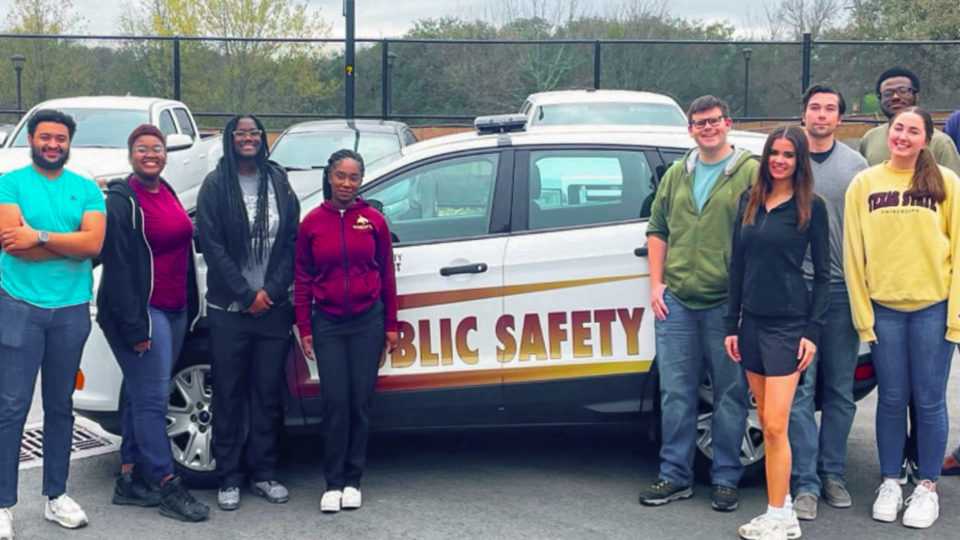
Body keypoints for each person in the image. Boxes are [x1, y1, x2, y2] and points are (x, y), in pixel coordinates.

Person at [845, 106, 960, 530]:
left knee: (929, 401)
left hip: (933, 308)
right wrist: (863, 313)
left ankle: (926, 487)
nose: (904, 137)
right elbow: (853, 254)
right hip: (884, 309)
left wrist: (956, 313)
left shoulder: (947, 183)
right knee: (891, 400)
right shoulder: (865, 183)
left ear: (927, 139)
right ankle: (891, 480)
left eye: (914, 131)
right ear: (887, 132)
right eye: (898, 129)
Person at [639, 96, 755, 512]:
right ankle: (674, 476)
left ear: (728, 123)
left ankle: (725, 477)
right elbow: (658, 228)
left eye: (714, 121)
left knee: (730, 394)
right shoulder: (676, 174)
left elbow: (760, 237)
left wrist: (747, 301)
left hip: (727, 304)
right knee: (676, 393)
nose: (707, 128)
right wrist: (657, 284)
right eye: (699, 123)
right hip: (678, 303)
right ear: (689, 129)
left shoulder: (750, 173)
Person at [0, 110, 105, 537]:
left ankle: (56, 496)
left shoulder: (86, 189)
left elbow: (94, 244)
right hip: (19, 306)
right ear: (31, 138)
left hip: (71, 310)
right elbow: (12, 245)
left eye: (60, 138)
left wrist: (39, 236)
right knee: (11, 407)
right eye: (45, 137)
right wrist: (68, 245)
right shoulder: (10, 184)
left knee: (61, 406)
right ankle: (4, 503)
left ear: (69, 142)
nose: (53, 144)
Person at [96, 124, 209, 522]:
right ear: (131, 155)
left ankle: (129, 479)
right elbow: (121, 268)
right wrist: (135, 329)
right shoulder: (121, 201)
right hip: (144, 313)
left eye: (156, 148)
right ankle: (167, 485)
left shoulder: (169, 192)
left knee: (141, 397)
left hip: (175, 308)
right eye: (142, 149)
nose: (150, 154)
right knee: (151, 401)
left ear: (165, 154)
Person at [725, 125, 830, 540]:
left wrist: (812, 331)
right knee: (767, 419)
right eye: (774, 153)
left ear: (799, 161)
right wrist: (730, 323)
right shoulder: (747, 203)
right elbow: (736, 267)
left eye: (789, 154)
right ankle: (781, 508)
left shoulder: (811, 207)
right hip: (750, 324)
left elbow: (824, 275)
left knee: (774, 425)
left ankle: (778, 515)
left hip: (789, 327)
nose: (780, 160)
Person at [196, 114, 300, 511]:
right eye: (240, 133)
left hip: (273, 308)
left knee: (266, 394)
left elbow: (291, 239)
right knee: (228, 393)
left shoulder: (278, 180)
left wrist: (269, 292)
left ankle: (264, 473)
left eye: (254, 133)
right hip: (229, 310)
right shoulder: (215, 185)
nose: (248, 138)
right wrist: (245, 294)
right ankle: (229, 477)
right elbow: (213, 244)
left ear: (262, 139)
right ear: (229, 139)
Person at [294, 149, 399, 513]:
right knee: (335, 403)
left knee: (360, 402)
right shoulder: (311, 223)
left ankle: (353, 480)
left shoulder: (373, 221)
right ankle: (332, 483)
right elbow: (302, 278)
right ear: (329, 176)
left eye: (353, 177)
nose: (346, 183)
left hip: (368, 322)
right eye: (340, 175)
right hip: (328, 323)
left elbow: (387, 274)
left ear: (361, 181)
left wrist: (391, 325)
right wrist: (304, 325)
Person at [787, 84, 868, 521]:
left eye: (830, 109)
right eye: (814, 107)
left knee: (839, 390)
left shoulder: (857, 167)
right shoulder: (786, 160)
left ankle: (832, 472)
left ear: (840, 118)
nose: (822, 115)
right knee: (799, 389)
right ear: (803, 115)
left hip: (839, 290)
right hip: (793, 291)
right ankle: (805, 482)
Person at [859, 67, 960, 175]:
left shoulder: (941, 143)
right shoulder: (870, 138)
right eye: (887, 93)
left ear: (916, 96)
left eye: (903, 91)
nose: (895, 97)